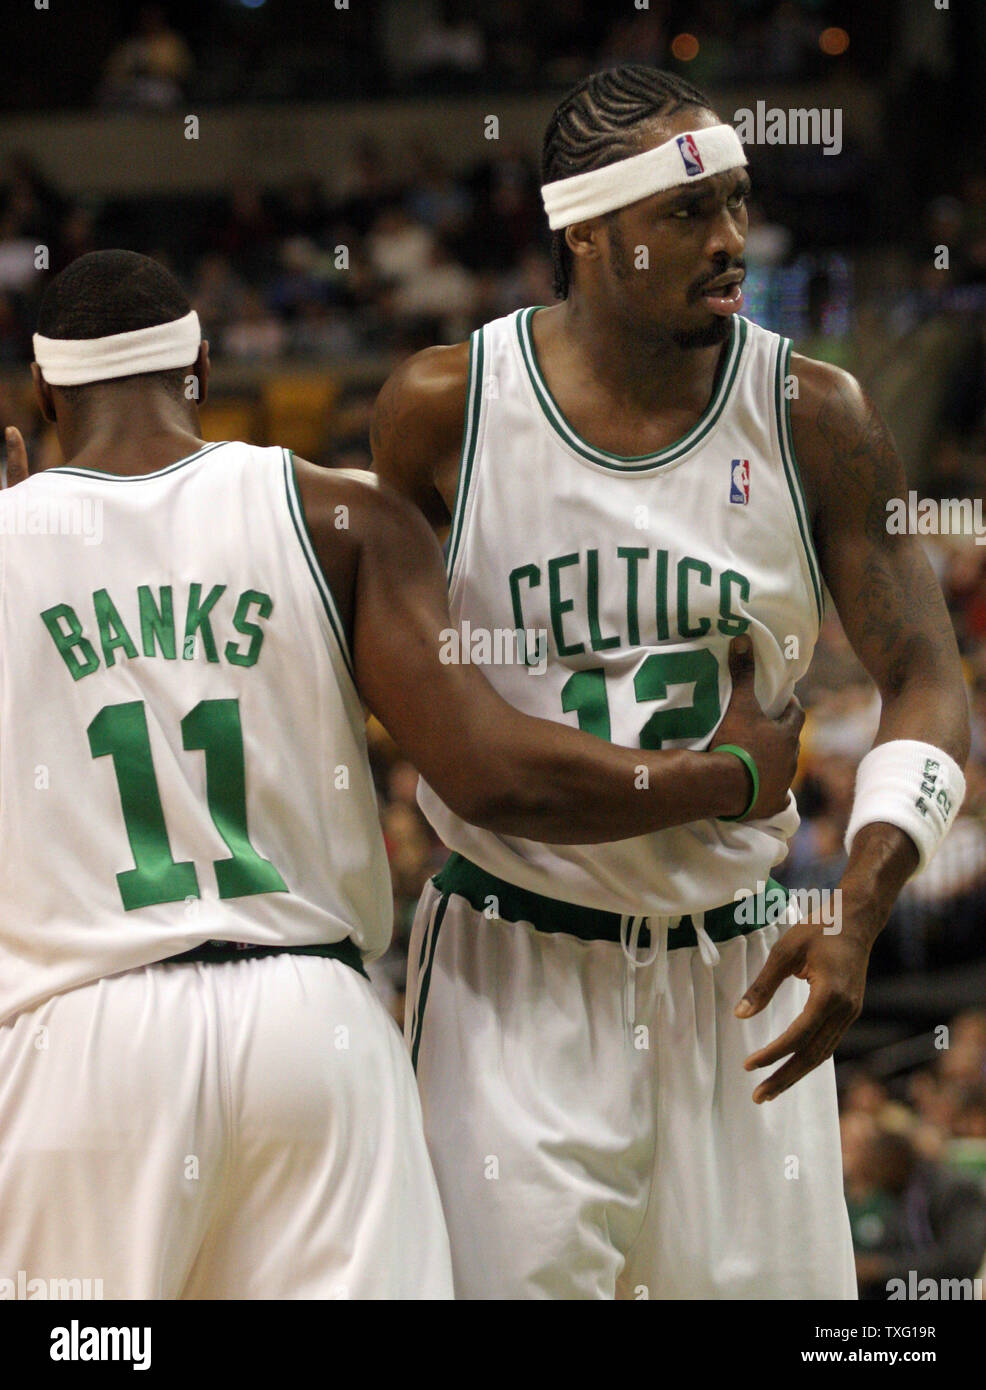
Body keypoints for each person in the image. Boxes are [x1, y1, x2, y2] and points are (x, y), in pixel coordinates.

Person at [0, 249, 802, 1299]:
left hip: (79, 1041)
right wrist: (728, 777)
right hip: (310, 1024)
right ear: (201, 364)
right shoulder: (341, 517)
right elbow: (491, 774)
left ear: (44, 391)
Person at [372, 66, 971, 1298]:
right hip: (513, 968)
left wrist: (858, 902)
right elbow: (430, 713)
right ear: (586, 233)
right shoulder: (444, 408)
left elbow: (926, 679)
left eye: (739, 205)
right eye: (688, 214)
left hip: (736, 973)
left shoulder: (814, 413)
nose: (731, 241)